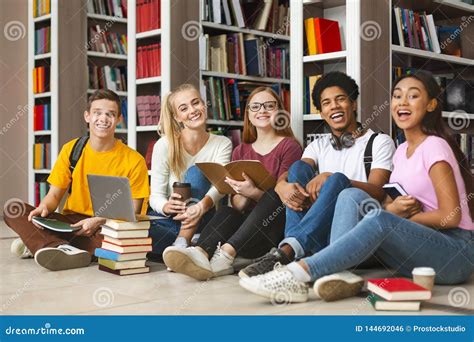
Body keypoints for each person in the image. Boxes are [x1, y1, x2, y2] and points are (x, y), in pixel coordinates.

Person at [240, 71, 474, 303]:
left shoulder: (434, 146)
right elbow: (393, 199)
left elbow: (450, 217)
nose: (402, 102)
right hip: (416, 247)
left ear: (431, 104)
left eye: (413, 96)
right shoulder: (402, 151)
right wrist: (392, 211)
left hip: (454, 252)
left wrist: (393, 217)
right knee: (351, 196)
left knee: (374, 214)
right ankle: (337, 272)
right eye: (396, 96)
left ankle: (293, 272)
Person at [239, 71, 396, 278]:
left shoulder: (379, 142)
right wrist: (281, 186)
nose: (334, 106)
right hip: (319, 231)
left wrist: (333, 178)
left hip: (355, 232)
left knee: (338, 179)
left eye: (341, 99)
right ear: (322, 113)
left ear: (354, 104)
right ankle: (294, 251)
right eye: (327, 103)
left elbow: (377, 191)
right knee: (297, 169)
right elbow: (293, 172)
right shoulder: (317, 146)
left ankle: (287, 252)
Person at [162, 87, 302, 280]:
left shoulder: (290, 146)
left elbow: (285, 200)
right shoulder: (240, 151)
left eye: (269, 106)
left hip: (273, 230)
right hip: (244, 234)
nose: (262, 110)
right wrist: (241, 194)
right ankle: (201, 253)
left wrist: (253, 192)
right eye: (255, 107)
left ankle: (225, 255)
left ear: (278, 111)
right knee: (228, 211)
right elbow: (237, 206)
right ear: (249, 115)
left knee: (273, 195)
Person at [4, 89, 150, 271]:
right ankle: (56, 246)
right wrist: (43, 208)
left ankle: (39, 243)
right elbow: (54, 195)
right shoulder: (71, 149)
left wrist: (99, 220)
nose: (103, 119)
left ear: (119, 119)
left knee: (115, 248)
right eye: (97, 113)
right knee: (13, 209)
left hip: (106, 227)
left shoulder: (134, 160)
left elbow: (134, 211)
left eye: (110, 114)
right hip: (70, 222)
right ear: (87, 116)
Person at [147, 84, 232, 256]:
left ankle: (183, 242)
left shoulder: (222, 143)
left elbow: (221, 186)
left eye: (196, 103)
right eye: (184, 108)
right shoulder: (164, 145)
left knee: (197, 172)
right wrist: (166, 206)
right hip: (172, 220)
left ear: (204, 104)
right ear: (177, 117)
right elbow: (155, 196)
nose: (192, 110)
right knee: (136, 234)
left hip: (204, 215)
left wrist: (200, 207)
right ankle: (194, 244)